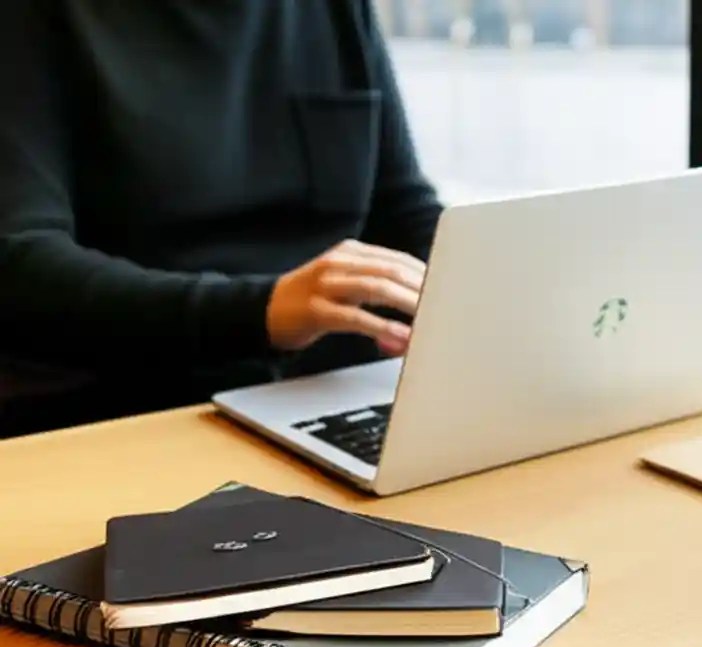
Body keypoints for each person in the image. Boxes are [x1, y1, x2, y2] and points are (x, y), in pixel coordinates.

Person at [0, 1, 443, 438]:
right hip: (132, 413)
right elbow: (21, 265)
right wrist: (261, 311)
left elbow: (401, 208)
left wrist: (476, 296)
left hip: (333, 403)